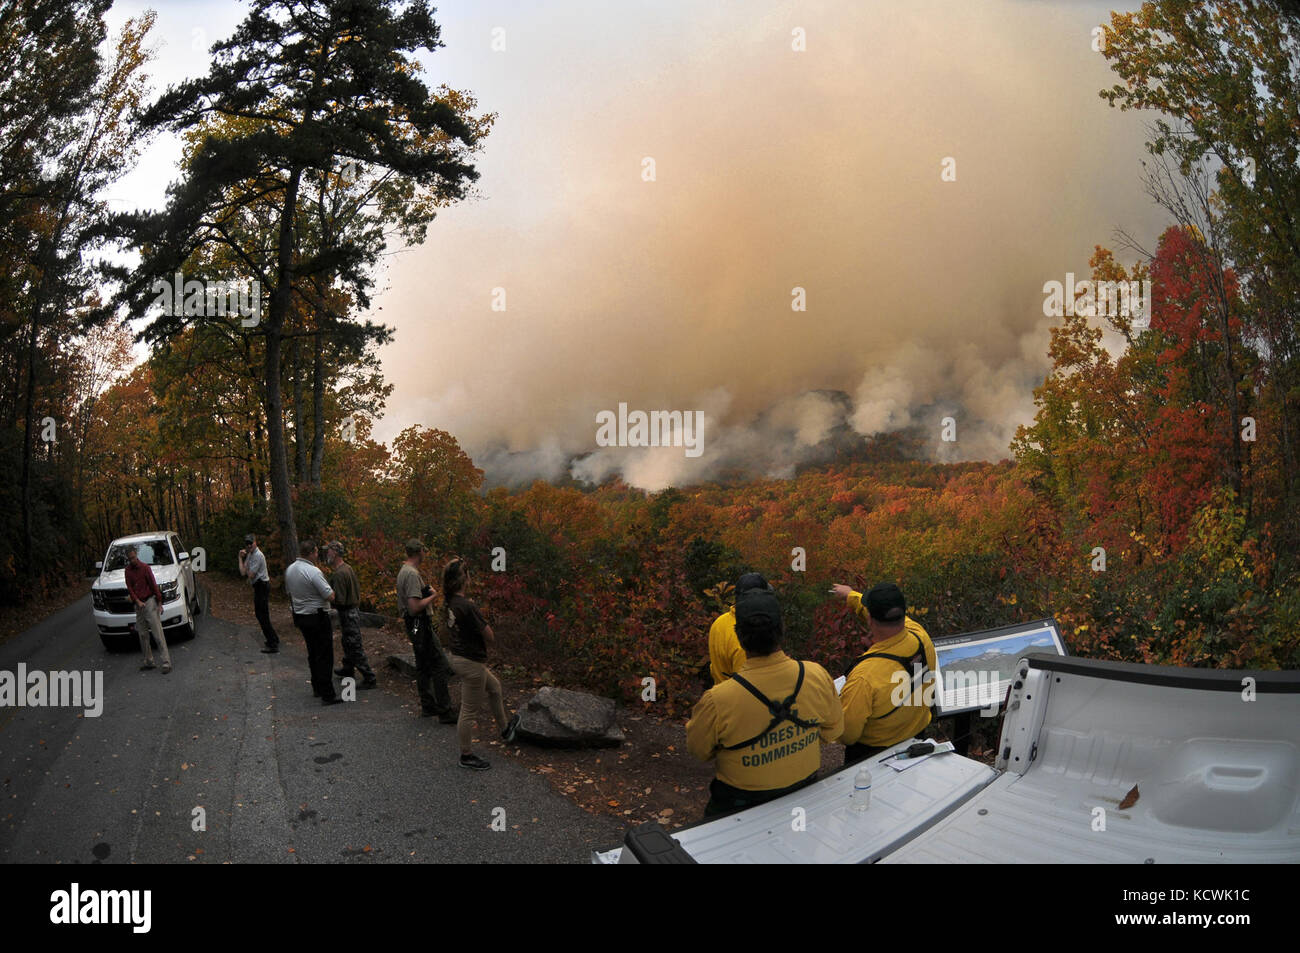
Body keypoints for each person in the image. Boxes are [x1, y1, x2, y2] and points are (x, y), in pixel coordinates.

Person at [686, 588, 843, 817]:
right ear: (782, 631)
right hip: (804, 789)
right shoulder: (816, 674)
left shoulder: (717, 700)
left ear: (739, 637)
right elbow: (833, 731)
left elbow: (699, 751)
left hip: (740, 803)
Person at [831, 581, 937, 765]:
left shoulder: (864, 677)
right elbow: (875, 612)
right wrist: (851, 596)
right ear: (904, 614)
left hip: (873, 758)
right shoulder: (921, 636)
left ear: (870, 619)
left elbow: (847, 734)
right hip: (917, 743)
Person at [442, 558, 521, 770]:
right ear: (464, 579)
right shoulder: (467, 605)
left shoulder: (449, 601)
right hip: (471, 662)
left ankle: (505, 729)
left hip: (457, 657)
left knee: (495, 688)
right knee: (468, 710)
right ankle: (466, 755)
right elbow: (490, 635)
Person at [396, 540, 456, 722]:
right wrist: (433, 596)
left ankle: (428, 706)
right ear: (420, 551)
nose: (425, 554)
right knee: (439, 664)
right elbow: (414, 607)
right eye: (424, 551)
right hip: (418, 622)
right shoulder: (412, 574)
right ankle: (445, 710)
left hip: (413, 624)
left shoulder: (403, 571)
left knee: (422, 664)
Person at [284, 539, 341, 706]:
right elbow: (329, 595)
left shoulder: (290, 570)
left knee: (312, 652)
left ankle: (316, 686)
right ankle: (327, 693)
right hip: (317, 616)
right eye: (316, 552)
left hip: (301, 616)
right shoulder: (313, 571)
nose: (318, 554)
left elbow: (289, 591)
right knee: (324, 654)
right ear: (310, 553)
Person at [324, 541, 376, 689]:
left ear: (335, 552)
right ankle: (348, 668)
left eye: (329, 551)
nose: (327, 553)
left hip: (347, 612)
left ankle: (369, 677)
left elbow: (339, 599)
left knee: (354, 645)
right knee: (347, 642)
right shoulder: (348, 568)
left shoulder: (340, 573)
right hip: (352, 610)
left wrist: (327, 599)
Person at [708, 571, 773, 684]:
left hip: (720, 693)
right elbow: (748, 688)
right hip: (737, 699)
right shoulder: (747, 640)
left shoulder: (719, 622)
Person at [125, 544, 172, 674]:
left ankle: (166, 662)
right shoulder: (128, 571)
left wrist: (159, 602)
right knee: (143, 634)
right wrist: (137, 601)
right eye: (130, 559)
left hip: (150, 602)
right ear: (128, 559)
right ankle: (149, 661)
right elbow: (130, 588)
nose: (132, 560)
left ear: (136, 556)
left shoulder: (145, 568)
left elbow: (153, 585)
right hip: (138, 605)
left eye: (134, 557)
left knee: (157, 633)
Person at [239, 533, 280, 654]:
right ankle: (274, 639)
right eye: (247, 543)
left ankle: (273, 644)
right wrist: (240, 558)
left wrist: (246, 568)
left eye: (251, 543)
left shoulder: (257, 555)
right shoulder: (250, 555)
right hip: (258, 586)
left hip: (262, 585)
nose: (249, 545)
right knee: (261, 615)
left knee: (262, 615)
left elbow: (250, 574)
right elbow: (242, 572)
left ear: (255, 542)